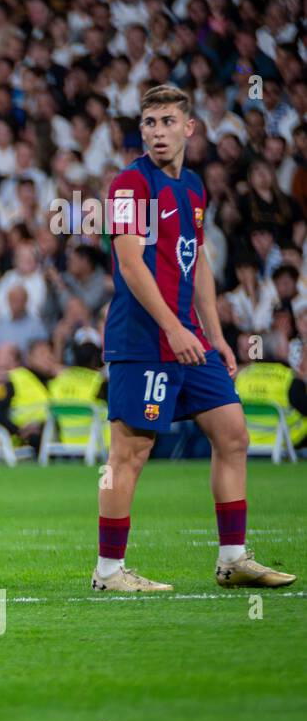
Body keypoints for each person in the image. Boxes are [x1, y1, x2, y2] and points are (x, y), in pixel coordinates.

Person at [96, 84, 296, 592]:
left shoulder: (193, 188)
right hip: (143, 340)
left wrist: (215, 335)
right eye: (149, 122)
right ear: (140, 130)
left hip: (190, 341)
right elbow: (130, 264)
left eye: (167, 122)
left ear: (189, 128)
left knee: (233, 434)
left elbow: (197, 260)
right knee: (129, 454)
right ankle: (109, 572)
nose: (157, 131)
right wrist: (173, 326)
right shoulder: (129, 185)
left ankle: (232, 559)